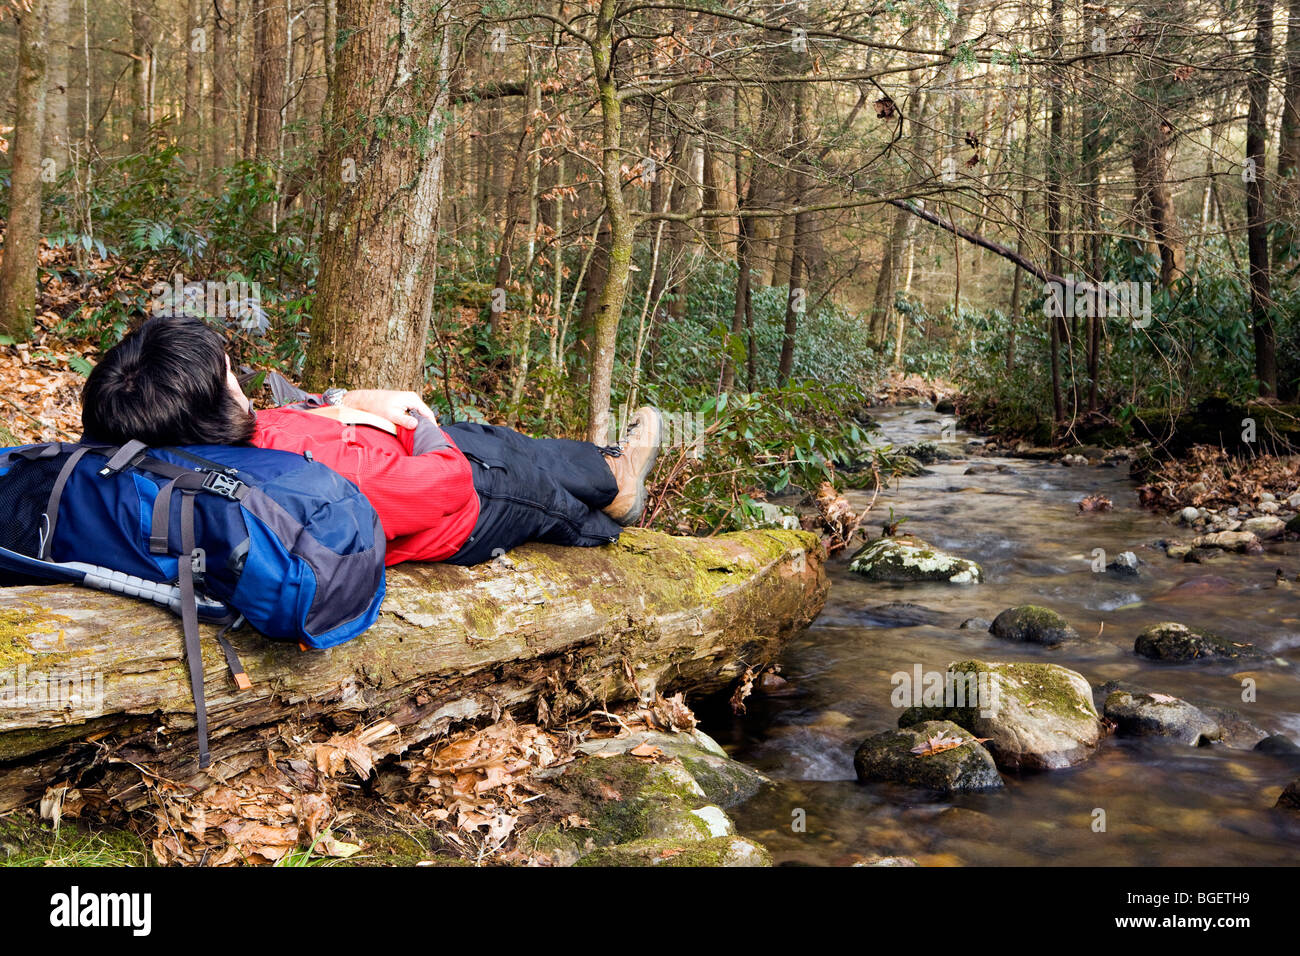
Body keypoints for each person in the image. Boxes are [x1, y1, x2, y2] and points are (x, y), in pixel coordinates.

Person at [80, 316, 662, 566]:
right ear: (210, 411)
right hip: (457, 511)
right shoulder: (307, 483)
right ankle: (610, 510)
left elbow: (298, 420)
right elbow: (448, 485)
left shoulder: (190, 447)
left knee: (495, 438)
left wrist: (355, 402)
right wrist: (421, 426)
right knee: (523, 480)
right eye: (230, 374)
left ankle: (611, 470)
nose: (239, 379)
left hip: (394, 459)